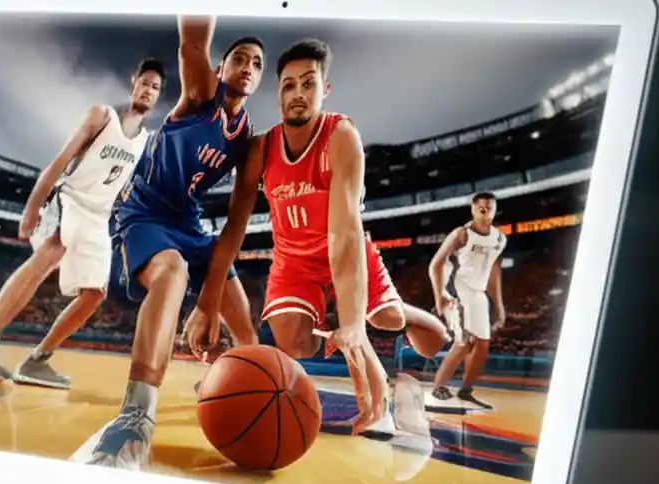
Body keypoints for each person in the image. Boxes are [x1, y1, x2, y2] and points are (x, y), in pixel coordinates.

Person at [186, 38, 449, 436]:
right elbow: (234, 230)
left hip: (345, 250)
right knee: (292, 342)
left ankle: (400, 312)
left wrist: (356, 326)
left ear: (324, 90)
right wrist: (207, 305)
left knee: (391, 321)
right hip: (293, 260)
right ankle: (343, 329)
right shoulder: (261, 148)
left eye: (308, 84)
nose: (297, 93)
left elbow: (344, 236)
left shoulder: (341, 136)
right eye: (288, 85)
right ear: (278, 93)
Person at [79, 16, 264, 470]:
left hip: (189, 220)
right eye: (239, 58)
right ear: (220, 68)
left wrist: (210, 301)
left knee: (247, 334)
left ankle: (255, 396)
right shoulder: (203, 92)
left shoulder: (247, 139)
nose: (248, 66)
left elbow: (237, 224)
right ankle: (136, 414)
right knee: (173, 271)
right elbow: (192, 40)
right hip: (144, 211)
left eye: (257, 63)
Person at [0, 58, 166, 391]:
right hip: (71, 199)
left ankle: (37, 361)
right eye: (145, 82)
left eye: (155, 87)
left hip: (99, 216)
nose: (148, 90)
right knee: (49, 253)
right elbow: (59, 162)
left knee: (95, 294)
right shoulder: (102, 116)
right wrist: (33, 207)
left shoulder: (145, 141)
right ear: (134, 81)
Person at [429, 192, 508, 409]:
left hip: (479, 293)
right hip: (458, 289)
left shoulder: (500, 239)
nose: (486, 213)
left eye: (490, 209)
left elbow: (494, 273)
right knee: (464, 341)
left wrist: (499, 305)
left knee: (482, 346)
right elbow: (435, 264)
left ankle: (466, 391)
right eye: (482, 209)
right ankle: (439, 386)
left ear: (495, 209)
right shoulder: (462, 234)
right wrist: (439, 296)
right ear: (473, 210)